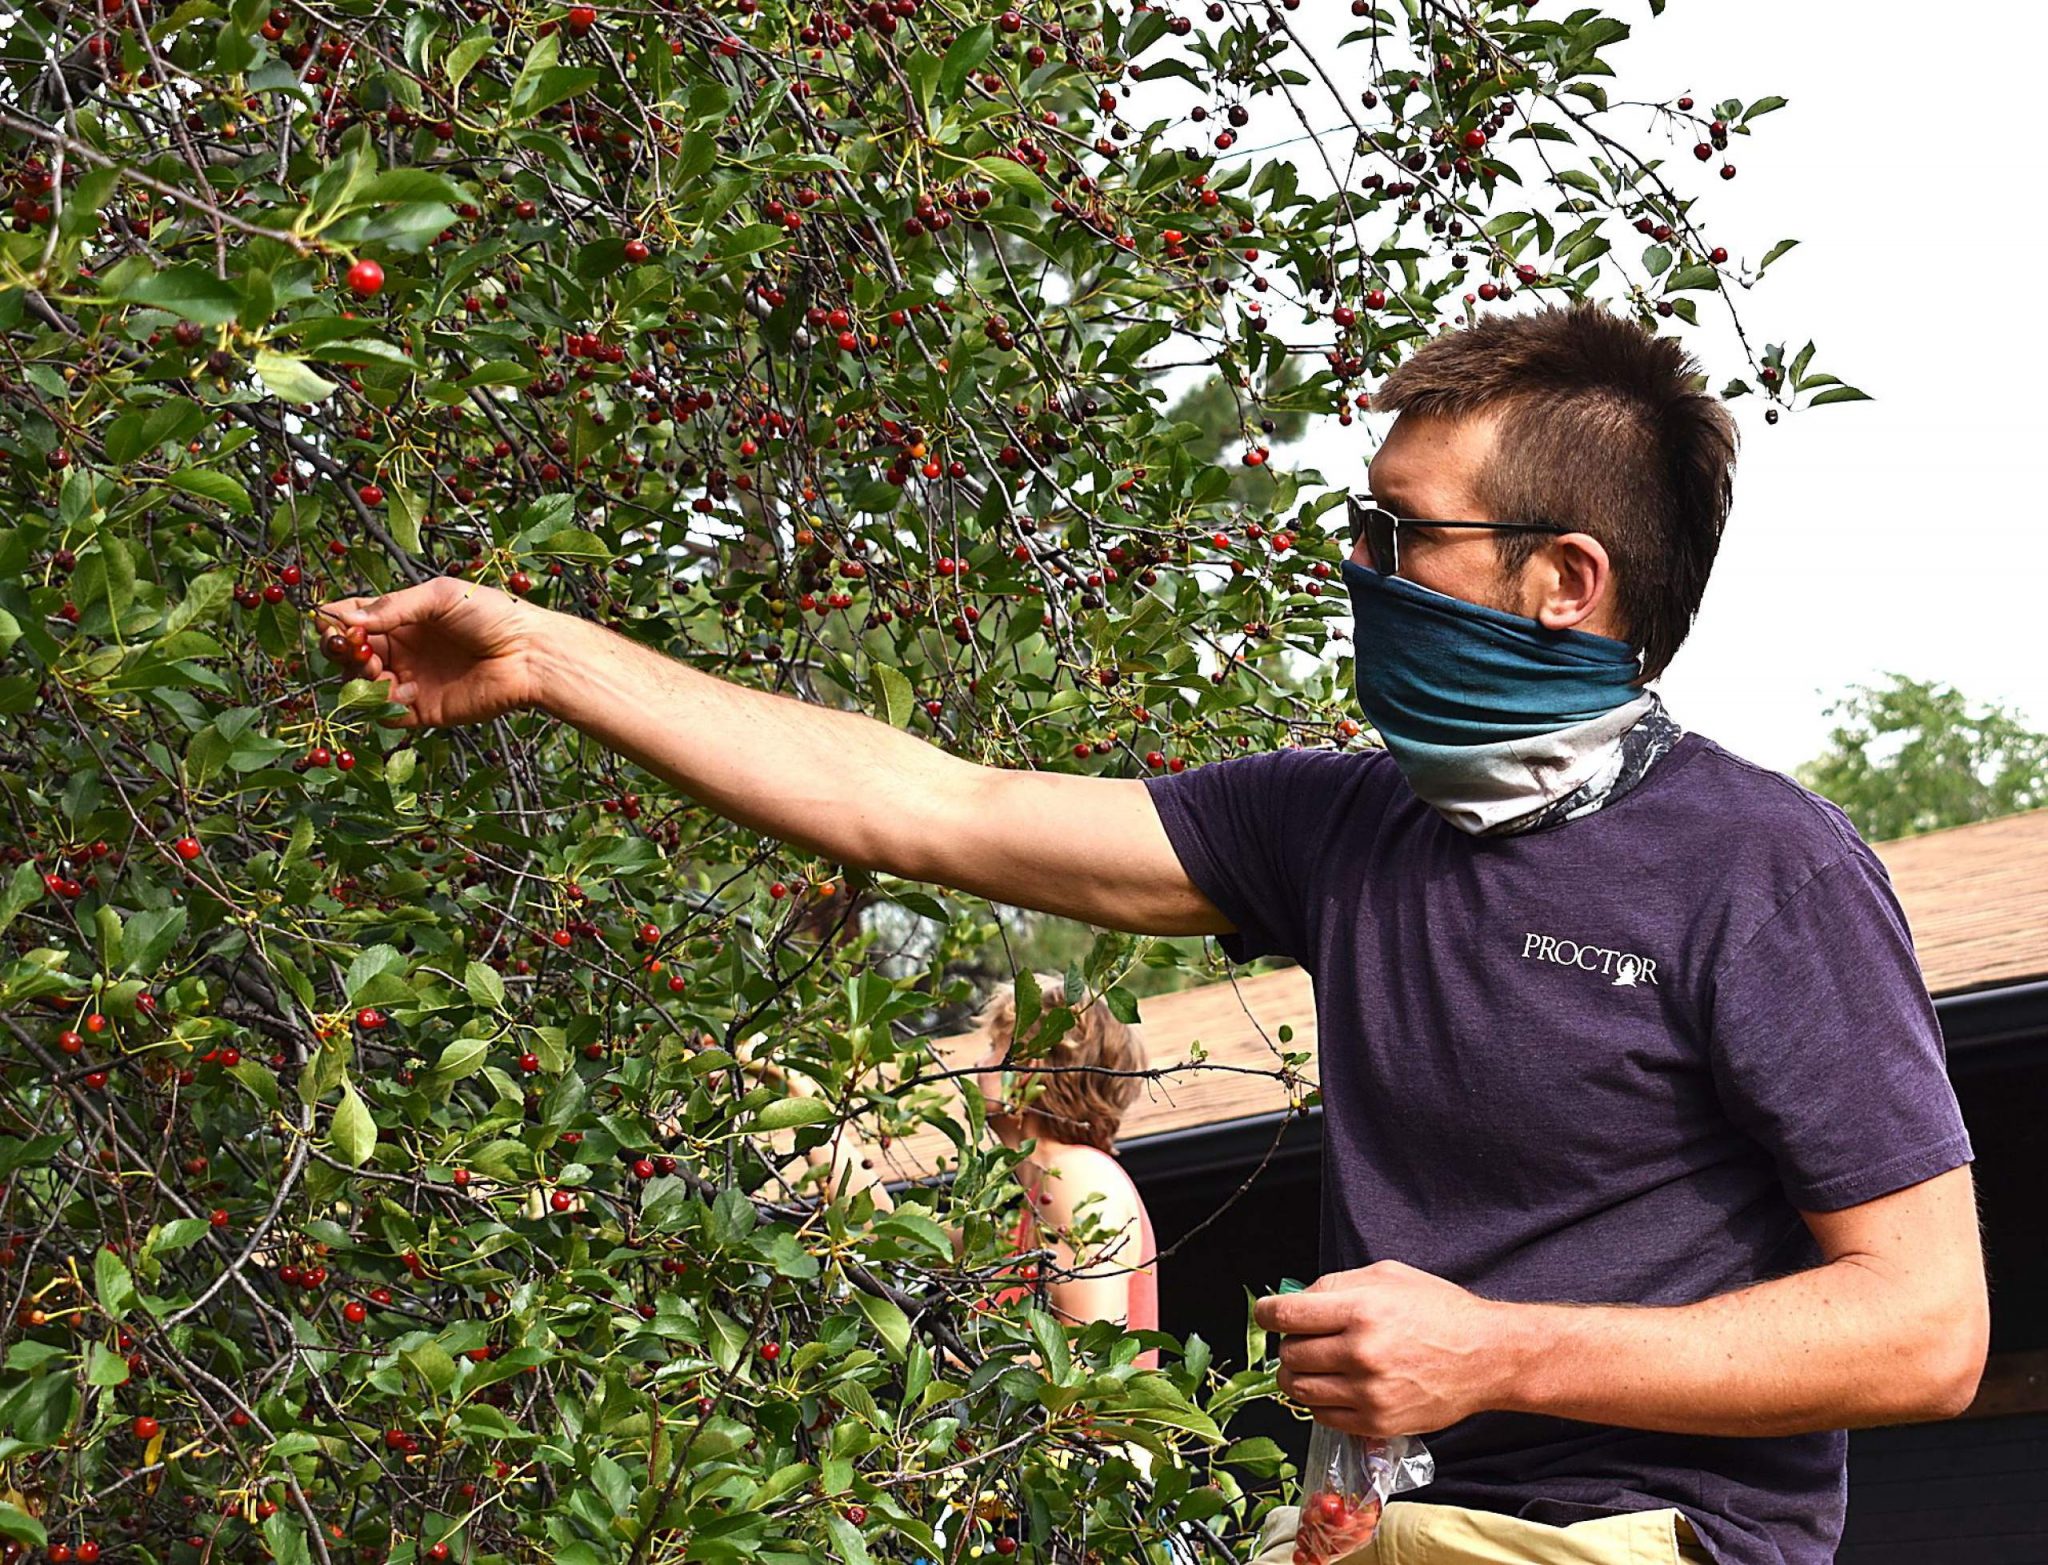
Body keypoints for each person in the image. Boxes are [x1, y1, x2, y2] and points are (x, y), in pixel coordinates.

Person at [316, 303, 1987, 1565]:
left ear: (1565, 577)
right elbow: (939, 807)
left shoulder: (1762, 867)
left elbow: (1926, 1329)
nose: (1358, 569)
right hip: (1387, 1522)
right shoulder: (1344, 826)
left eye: (1402, 534)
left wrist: (1496, 1348)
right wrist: (549, 654)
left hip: (1633, 1543)